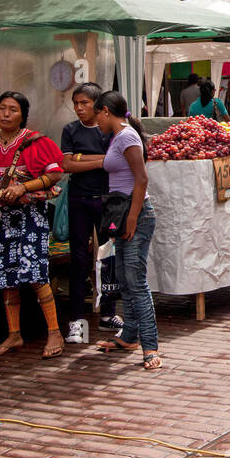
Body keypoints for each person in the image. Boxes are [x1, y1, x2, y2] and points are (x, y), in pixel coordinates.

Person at [0, 91, 67, 360]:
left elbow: (55, 173)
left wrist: (23, 186)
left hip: (30, 216)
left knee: (35, 273)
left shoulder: (37, 141)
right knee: (6, 275)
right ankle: (14, 334)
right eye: (2, 108)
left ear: (23, 114)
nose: (6, 113)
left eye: (12, 109)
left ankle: (55, 332)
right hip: (0, 216)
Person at [68, 92, 160, 371]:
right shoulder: (118, 137)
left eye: (97, 114)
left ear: (105, 112)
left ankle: (151, 346)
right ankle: (129, 336)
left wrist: (132, 218)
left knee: (136, 281)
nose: (95, 121)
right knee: (124, 277)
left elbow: (142, 178)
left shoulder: (127, 137)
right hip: (121, 215)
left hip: (136, 215)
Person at [59, 82, 119, 343]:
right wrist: (100, 160)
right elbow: (66, 165)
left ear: (98, 106)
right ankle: (76, 320)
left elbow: (115, 163)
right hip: (79, 200)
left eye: (84, 103)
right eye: (76, 103)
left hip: (106, 201)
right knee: (79, 260)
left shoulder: (109, 131)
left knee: (108, 258)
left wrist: (84, 159)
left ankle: (108, 314)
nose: (79, 108)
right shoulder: (70, 130)